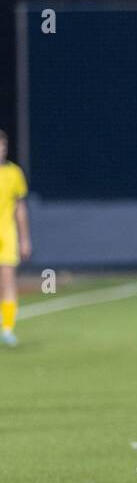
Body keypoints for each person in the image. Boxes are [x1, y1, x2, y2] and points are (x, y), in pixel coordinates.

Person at [0, 130, 32, 347]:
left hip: (6, 235)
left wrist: (25, 239)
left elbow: (20, 208)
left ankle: (8, 329)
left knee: (7, 280)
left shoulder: (14, 174)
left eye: (2, 145)